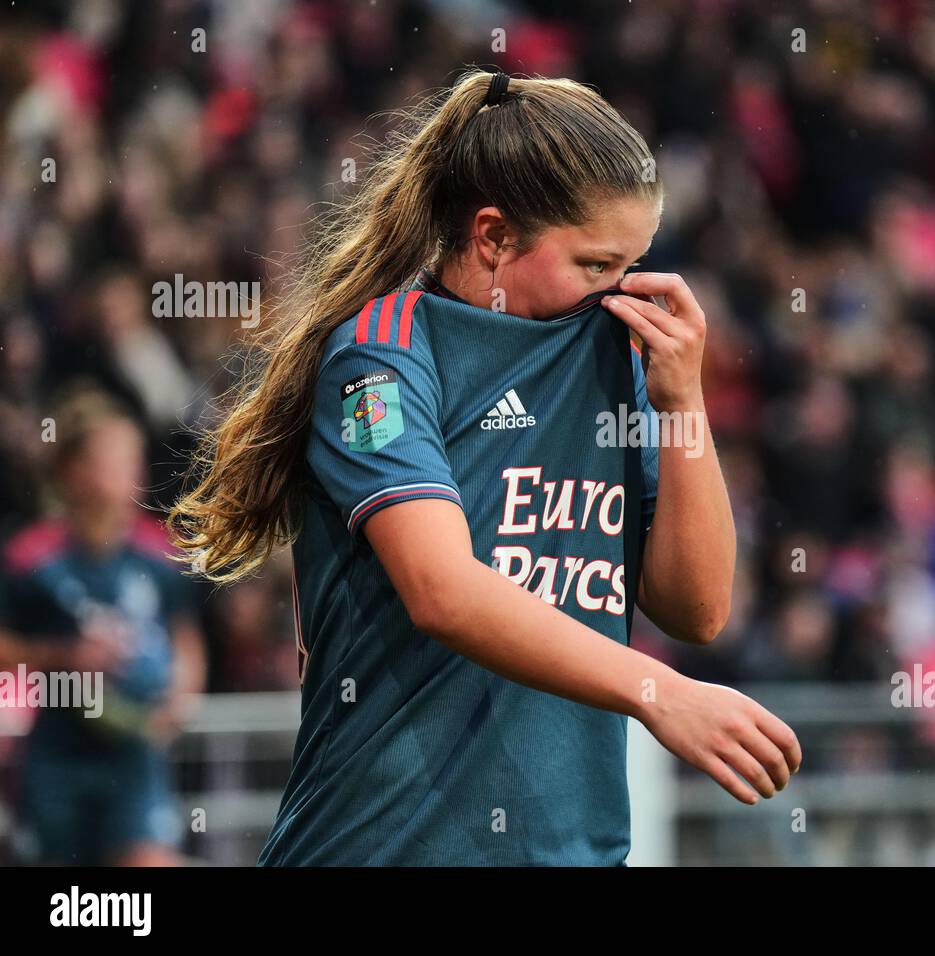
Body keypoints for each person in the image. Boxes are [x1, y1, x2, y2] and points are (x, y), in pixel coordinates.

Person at [168, 69, 801, 865]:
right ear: (494, 237)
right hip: (386, 847)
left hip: (572, 849)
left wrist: (682, 403)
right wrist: (657, 691)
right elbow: (443, 591)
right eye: (596, 264)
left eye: (634, 262)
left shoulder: (615, 354)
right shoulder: (381, 358)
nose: (624, 290)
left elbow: (697, 609)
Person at [2, 387, 206, 865]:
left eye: (133, 457)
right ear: (73, 471)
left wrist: (179, 699)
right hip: (57, 755)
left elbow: (186, 637)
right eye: (113, 458)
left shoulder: (160, 554)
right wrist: (65, 656)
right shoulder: (32, 559)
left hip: (134, 754)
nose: (130, 471)